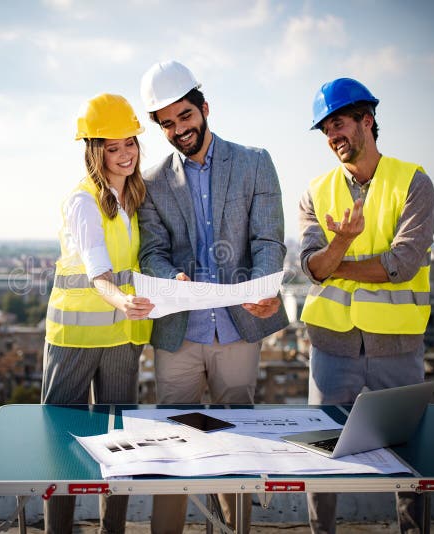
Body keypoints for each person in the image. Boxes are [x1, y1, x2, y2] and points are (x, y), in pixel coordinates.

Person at [137, 60, 289, 534]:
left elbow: (268, 240)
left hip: (238, 329)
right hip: (179, 334)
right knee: (172, 448)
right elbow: (152, 251)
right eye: (167, 123)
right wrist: (171, 280)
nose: (179, 129)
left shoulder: (255, 162)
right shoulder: (151, 182)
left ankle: (231, 529)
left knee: (235, 446)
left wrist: (264, 288)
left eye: (185, 116)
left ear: (205, 108)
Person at [298, 78, 434, 534]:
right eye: (325, 129)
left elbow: (402, 265)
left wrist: (334, 264)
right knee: (322, 454)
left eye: (339, 123)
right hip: (331, 347)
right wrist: (341, 243)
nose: (332, 135)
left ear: (367, 121)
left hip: (396, 346)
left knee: (408, 457)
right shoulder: (315, 191)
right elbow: (311, 267)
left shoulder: (413, 182)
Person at [42, 93, 155, 534]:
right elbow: (97, 272)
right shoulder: (84, 201)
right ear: (94, 151)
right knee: (63, 443)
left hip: (123, 338)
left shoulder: (136, 196)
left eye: (130, 143)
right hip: (75, 339)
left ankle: (113, 530)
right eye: (113, 147)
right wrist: (121, 300)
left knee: (120, 444)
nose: (125, 154)